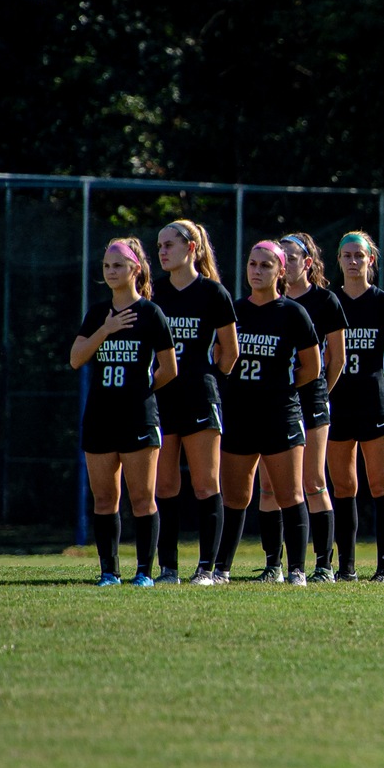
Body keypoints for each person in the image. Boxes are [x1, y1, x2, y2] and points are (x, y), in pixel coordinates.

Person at [213, 241, 321, 585]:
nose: (256, 271)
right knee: (236, 497)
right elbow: (219, 355)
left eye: (265, 265)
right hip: (239, 413)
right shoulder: (234, 310)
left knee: (290, 495)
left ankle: (297, 570)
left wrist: (279, 386)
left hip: (280, 414)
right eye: (252, 264)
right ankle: (221, 569)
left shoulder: (292, 313)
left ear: (281, 271)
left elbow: (312, 366)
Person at [71, 238, 177, 585]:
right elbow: (76, 358)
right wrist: (106, 330)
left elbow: (169, 369)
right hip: (100, 417)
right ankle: (109, 572)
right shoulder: (97, 314)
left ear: (136, 269)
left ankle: (144, 572)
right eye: (107, 266)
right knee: (104, 499)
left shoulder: (150, 313)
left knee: (143, 499)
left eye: (118, 265)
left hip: (138, 417)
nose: (111, 271)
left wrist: (140, 393)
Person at [150, 220, 236, 585]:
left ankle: (207, 569)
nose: (162, 251)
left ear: (191, 248)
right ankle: (168, 568)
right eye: (159, 246)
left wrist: (208, 380)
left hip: (200, 397)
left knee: (206, 485)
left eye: (169, 244)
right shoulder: (154, 292)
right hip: (162, 397)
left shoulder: (213, 293)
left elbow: (230, 352)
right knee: (164, 486)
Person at [329, 231, 384, 582]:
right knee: (344, 487)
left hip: (374, 403)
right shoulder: (331, 301)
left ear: (370, 260)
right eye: (347, 255)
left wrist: (378, 388)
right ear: (339, 260)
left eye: (359, 255)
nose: (353, 261)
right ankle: (346, 567)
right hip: (338, 403)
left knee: (381, 485)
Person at [279, 233, 347, 581]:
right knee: (272, 485)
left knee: (313, 480)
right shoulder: (271, 301)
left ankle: (324, 564)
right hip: (276, 400)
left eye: (291, 258)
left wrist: (319, 392)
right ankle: (274, 564)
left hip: (312, 398)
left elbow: (336, 358)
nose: (285, 265)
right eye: (281, 258)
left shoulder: (325, 301)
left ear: (306, 263)